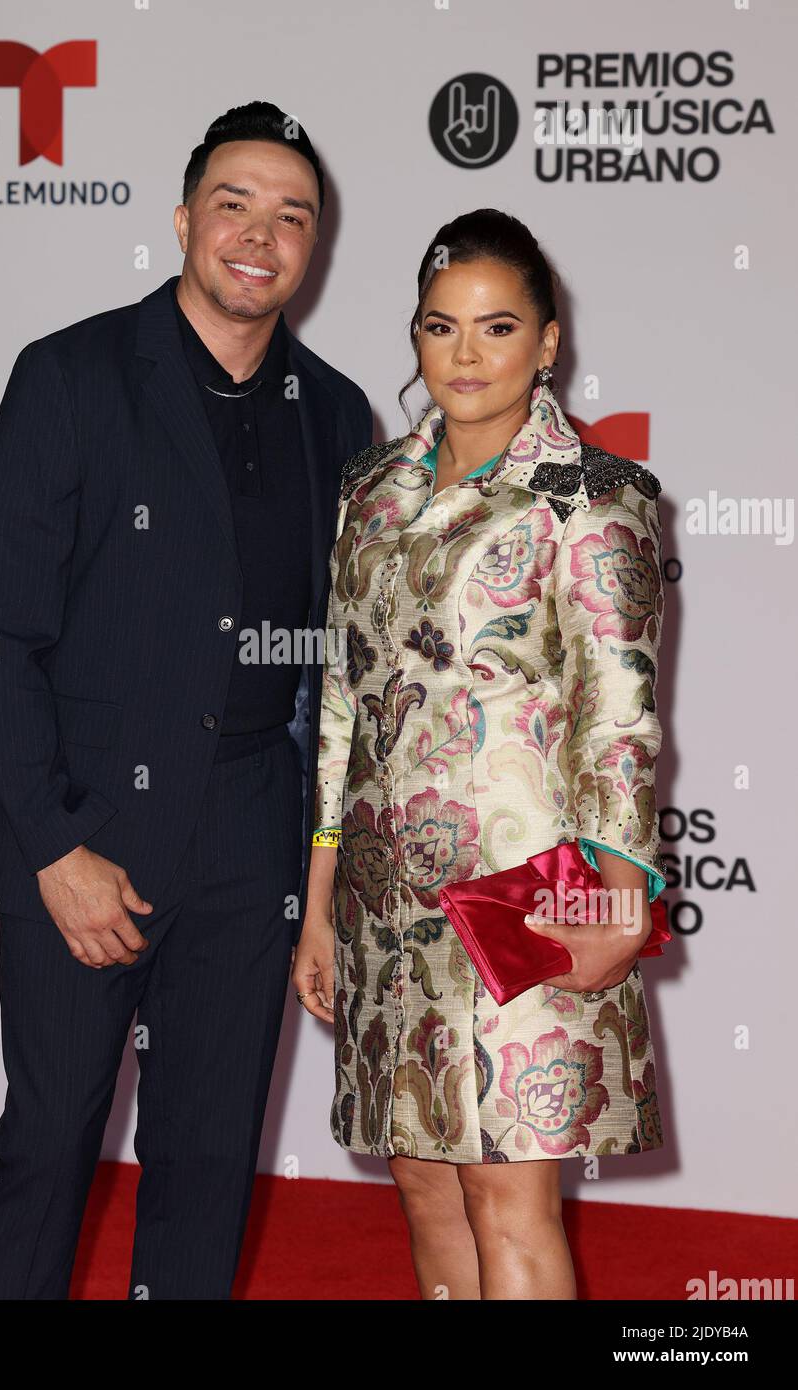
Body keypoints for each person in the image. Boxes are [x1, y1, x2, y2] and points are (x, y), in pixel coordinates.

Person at [0, 101, 372, 1300]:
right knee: (44, 1149)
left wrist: (316, 883)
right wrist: (55, 846)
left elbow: (334, 668)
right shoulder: (71, 375)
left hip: (252, 842)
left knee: (207, 1161)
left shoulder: (336, 416)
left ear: (314, 249)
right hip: (86, 824)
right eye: (234, 203)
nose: (261, 233)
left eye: (293, 216)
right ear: (186, 217)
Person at [293, 209, 666, 1300]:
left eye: (498, 327)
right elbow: (341, 712)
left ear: (548, 341)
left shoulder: (597, 499)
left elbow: (622, 716)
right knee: (422, 1177)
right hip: (381, 898)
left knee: (511, 1191)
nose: (465, 354)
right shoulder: (368, 495)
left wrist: (622, 898)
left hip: (528, 889)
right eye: (439, 326)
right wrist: (319, 903)